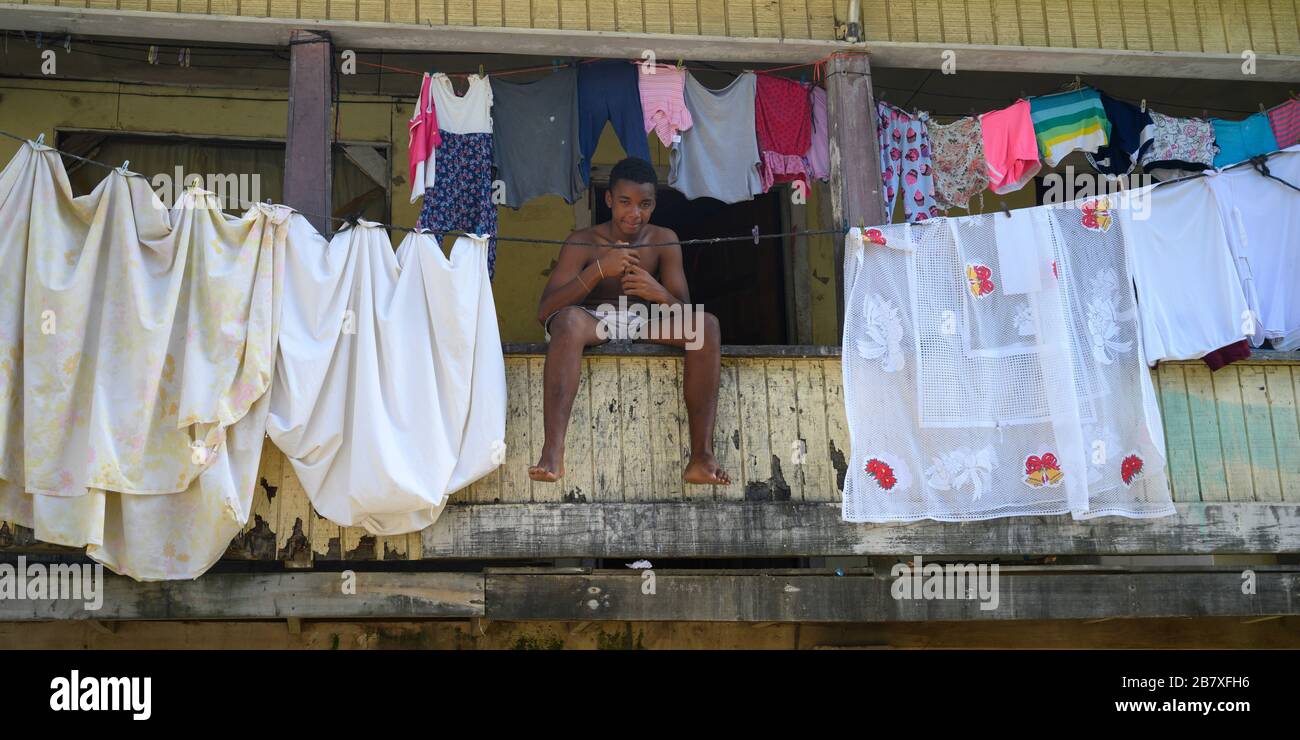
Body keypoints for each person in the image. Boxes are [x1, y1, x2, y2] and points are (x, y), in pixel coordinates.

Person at [529, 157, 730, 485]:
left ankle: (701, 457)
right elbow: (545, 312)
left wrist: (658, 293)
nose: (634, 213)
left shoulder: (664, 240)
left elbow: (685, 312)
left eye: (645, 204)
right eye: (625, 202)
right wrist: (597, 271)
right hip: (594, 321)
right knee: (565, 321)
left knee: (705, 326)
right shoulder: (582, 241)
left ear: (654, 204)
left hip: (644, 322)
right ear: (609, 200)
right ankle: (552, 452)